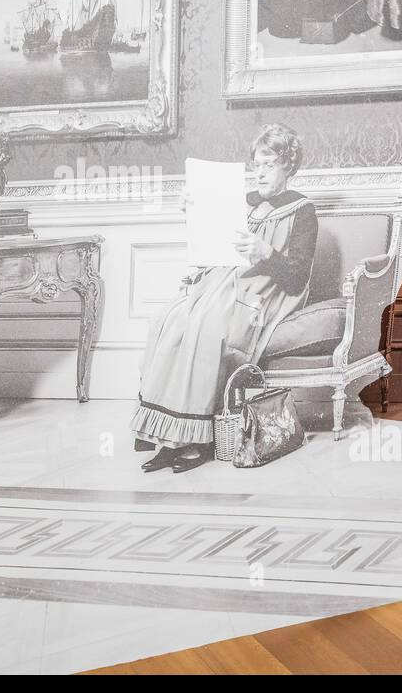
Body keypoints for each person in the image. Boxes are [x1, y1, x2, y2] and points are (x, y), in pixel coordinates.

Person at [131, 124, 318, 473]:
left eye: (270, 164)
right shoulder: (243, 202)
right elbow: (211, 242)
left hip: (267, 290)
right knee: (170, 319)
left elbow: (297, 278)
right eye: (257, 164)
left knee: (209, 324)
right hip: (224, 280)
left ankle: (197, 438)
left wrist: (266, 252)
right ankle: (168, 438)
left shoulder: (303, 211)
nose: (260, 172)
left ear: (289, 167)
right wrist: (193, 210)